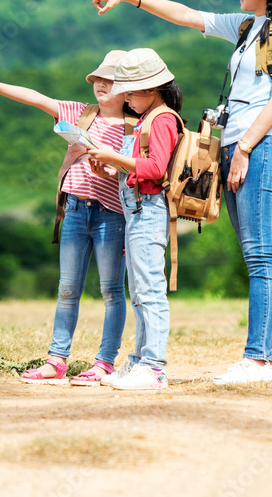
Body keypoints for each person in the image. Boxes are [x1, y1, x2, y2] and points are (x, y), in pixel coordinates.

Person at [80, 0, 272, 385]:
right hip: (237, 146)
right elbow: (185, 14)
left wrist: (243, 149)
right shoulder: (246, 27)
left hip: (260, 146)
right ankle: (263, 359)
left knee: (262, 256)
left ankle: (262, 360)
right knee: (254, 255)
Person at [0, 50, 130, 385]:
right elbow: (38, 98)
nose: (101, 85)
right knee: (67, 288)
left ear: (128, 89)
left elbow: (136, 172)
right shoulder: (82, 113)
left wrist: (110, 169)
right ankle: (57, 360)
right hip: (76, 212)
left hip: (113, 216)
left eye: (111, 80)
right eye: (99, 78)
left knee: (111, 290)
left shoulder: (135, 126)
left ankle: (104, 363)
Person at [85, 49, 182, 390]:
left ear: (151, 89)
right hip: (136, 209)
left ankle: (154, 367)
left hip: (148, 210)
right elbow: (140, 168)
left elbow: (156, 168)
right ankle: (139, 360)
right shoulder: (146, 119)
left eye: (130, 91)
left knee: (150, 290)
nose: (126, 97)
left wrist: (113, 155)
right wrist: (112, 167)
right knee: (139, 290)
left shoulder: (163, 119)